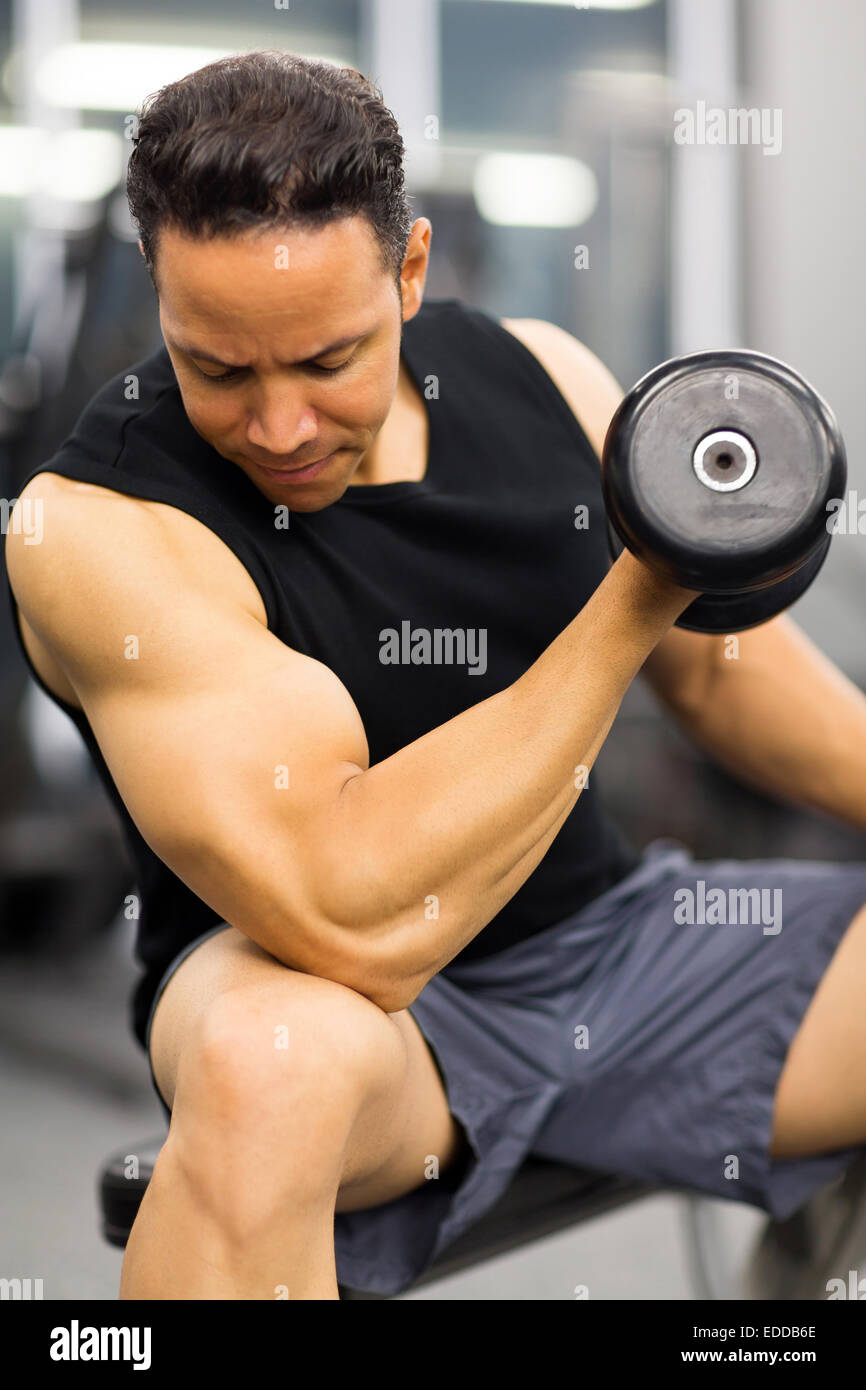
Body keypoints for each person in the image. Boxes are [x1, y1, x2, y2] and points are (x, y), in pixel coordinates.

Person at [6, 50, 866, 1301]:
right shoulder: (98, 528)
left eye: (325, 359)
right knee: (267, 1061)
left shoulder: (545, 380)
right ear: (158, 290)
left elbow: (728, 678)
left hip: (615, 953)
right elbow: (344, 916)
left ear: (408, 272)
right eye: (220, 369)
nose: (281, 426)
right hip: (358, 1026)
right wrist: (636, 590)